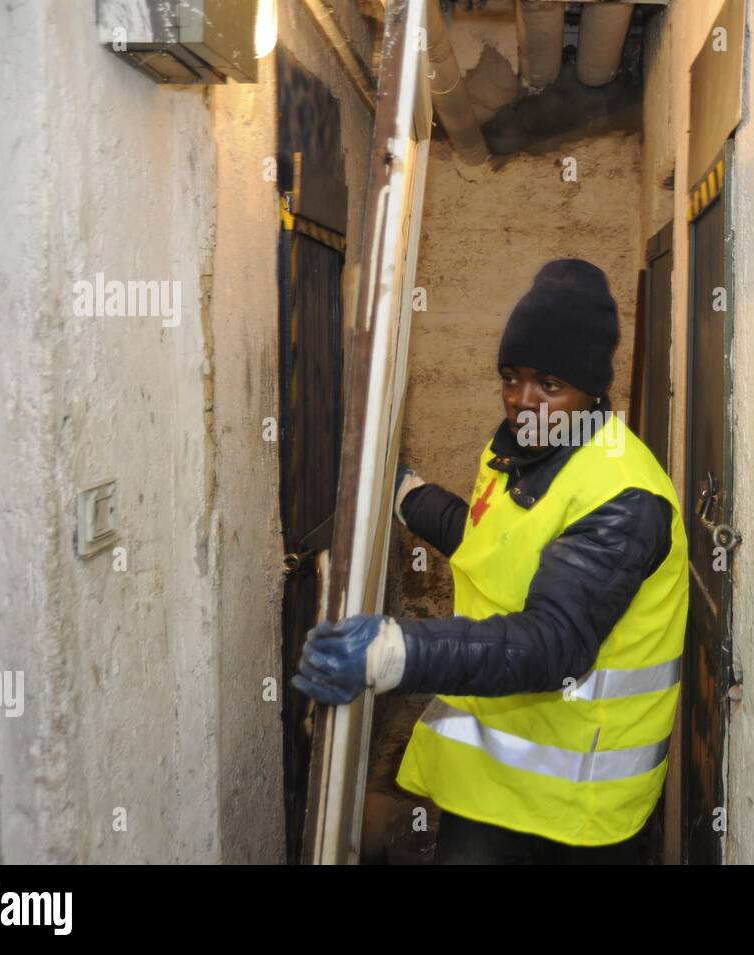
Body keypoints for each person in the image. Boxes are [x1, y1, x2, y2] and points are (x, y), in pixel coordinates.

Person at [292, 258, 690, 864]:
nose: (521, 402)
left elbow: (552, 644)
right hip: (490, 785)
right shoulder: (519, 453)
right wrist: (409, 499)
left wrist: (398, 652)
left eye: (549, 385)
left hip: (576, 811)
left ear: (593, 390)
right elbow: (492, 543)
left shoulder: (624, 495)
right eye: (511, 377)